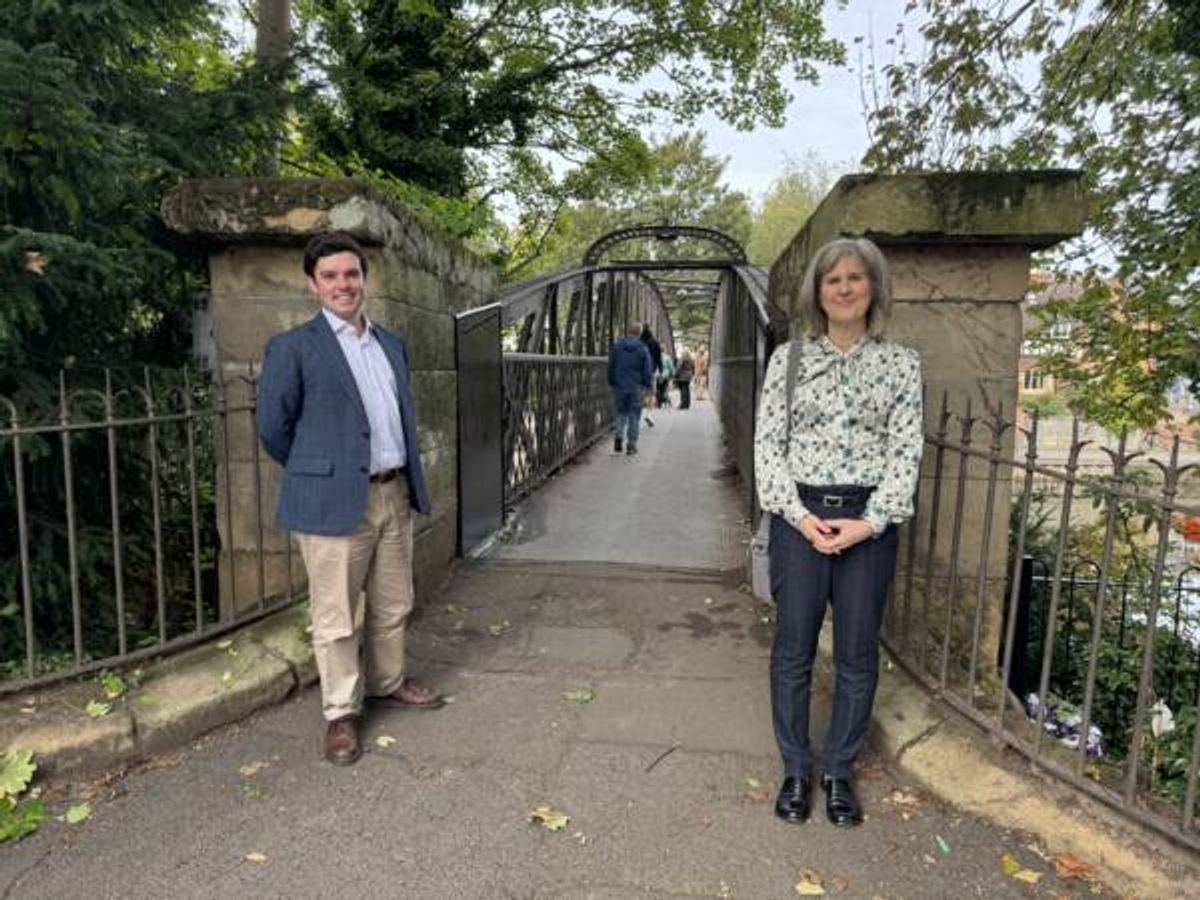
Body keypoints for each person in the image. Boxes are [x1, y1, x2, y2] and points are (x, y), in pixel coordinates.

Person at [753, 237, 923, 827]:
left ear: (874, 287)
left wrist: (871, 522)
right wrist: (799, 517)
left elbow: (906, 450)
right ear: (818, 292)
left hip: (866, 520)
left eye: (856, 277)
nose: (845, 288)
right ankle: (796, 768)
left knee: (856, 652)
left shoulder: (901, 364)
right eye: (833, 279)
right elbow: (768, 445)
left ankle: (839, 771)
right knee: (793, 649)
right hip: (798, 515)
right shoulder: (789, 360)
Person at [257, 231, 444, 767]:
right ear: (313, 285)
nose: (343, 284)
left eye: (351, 274)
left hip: (394, 491)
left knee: (394, 601)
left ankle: (388, 682)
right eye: (331, 276)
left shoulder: (391, 344)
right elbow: (273, 428)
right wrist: (323, 472)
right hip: (333, 501)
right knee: (336, 614)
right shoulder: (293, 347)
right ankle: (341, 710)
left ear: (364, 279)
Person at [608, 323, 653, 456]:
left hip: (620, 385)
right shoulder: (643, 348)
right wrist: (648, 384)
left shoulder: (617, 346)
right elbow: (647, 370)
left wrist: (612, 381)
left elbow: (611, 366)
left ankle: (618, 437)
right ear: (639, 333)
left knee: (621, 412)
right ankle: (631, 446)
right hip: (637, 386)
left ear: (628, 331)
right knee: (634, 415)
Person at [639, 324, 663, 426]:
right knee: (651, 393)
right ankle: (649, 414)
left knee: (639, 392)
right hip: (650, 371)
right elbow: (659, 358)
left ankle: (637, 413)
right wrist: (661, 371)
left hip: (639, 371)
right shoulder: (655, 342)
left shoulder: (639, 342)